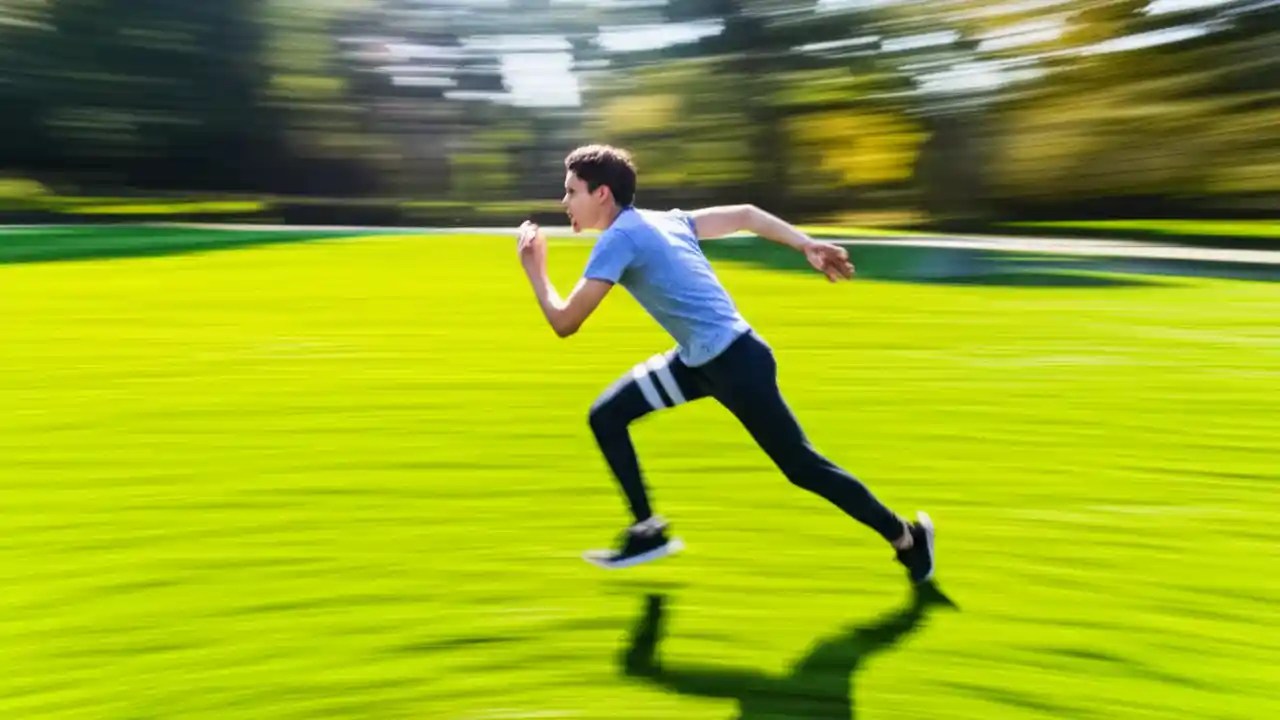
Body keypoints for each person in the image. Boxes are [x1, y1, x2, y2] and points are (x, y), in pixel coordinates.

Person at [516, 144, 935, 584]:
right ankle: (647, 530)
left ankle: (908, 538)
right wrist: (805, 243)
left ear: (602, 193)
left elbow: (565, 322)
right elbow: (746, 215)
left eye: (572, 191)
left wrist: (534, 269)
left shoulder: (620, 238)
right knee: (607, 415)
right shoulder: (665, 220)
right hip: (701, 362)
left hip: (735, 365)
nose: (564, 201)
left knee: (802, 467)